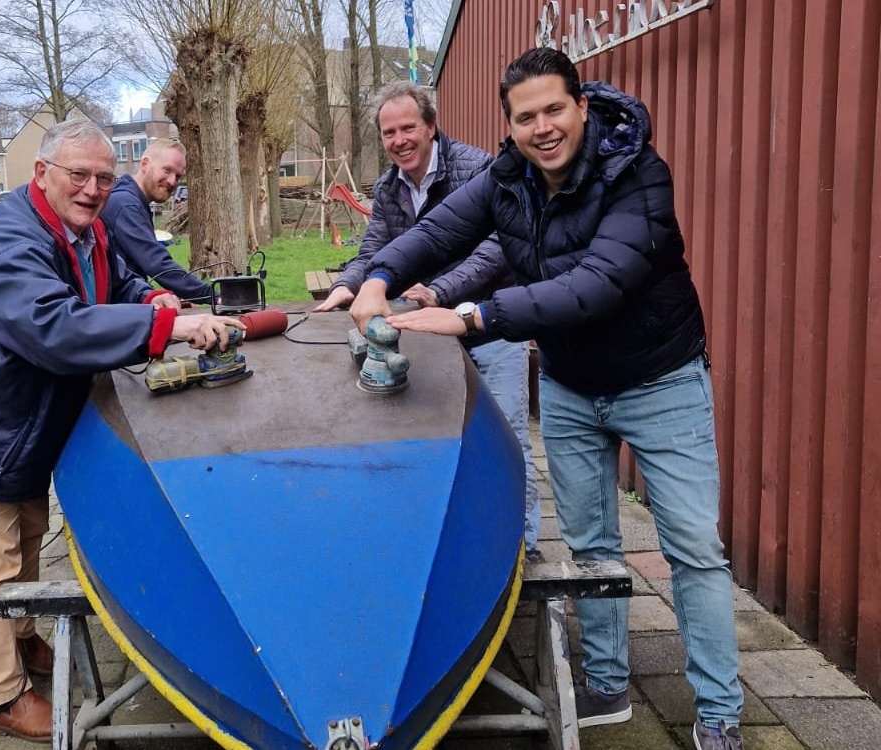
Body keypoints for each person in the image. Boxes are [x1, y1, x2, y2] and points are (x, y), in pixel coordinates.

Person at [348, 48, 746, 750]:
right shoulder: (509, 178)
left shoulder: (638, 175)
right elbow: (438, 232)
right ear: (512, 126)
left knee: (692, 549)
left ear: (582, 107)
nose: (543, 128)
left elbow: (594, 284)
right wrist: (378, 276)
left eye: (554, 110)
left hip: (661, 381)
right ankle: (606, 684)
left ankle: (718, 712)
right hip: (569, 385)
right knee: (591, 544)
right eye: (525, 117)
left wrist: (472, 316)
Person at [0, 120, 241, 743]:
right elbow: (53, 327)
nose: (91, 189)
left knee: (29, 538)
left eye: (103, 179)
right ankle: (2, 695)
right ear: (42, 175)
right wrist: (162, 330)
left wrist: (154, 301)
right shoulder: (14, 239)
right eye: (78, 176)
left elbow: (118, 281)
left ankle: (26, 636)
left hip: (29, 428)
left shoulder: (89, 231)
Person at [314, 80, 542, 561]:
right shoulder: (389, 187)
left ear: (432, 127)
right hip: (427, 333)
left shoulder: (477, 168)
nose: (399, 140)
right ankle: (448, 546)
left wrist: (441, 291)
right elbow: (374, 249)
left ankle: (523, 548)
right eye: (389, 132)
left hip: (488, 324)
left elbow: (496, 249)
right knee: (434, 436)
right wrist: (346, 286)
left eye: (408, 127)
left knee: (504, 438)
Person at [102, 139, 213, 304]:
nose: (172, 181)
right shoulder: (126, 204)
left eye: (178, 176)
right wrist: (213, 296)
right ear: (145, 164)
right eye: (167, 170)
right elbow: (157, 264)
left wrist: (160, 299)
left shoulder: (131, 200)